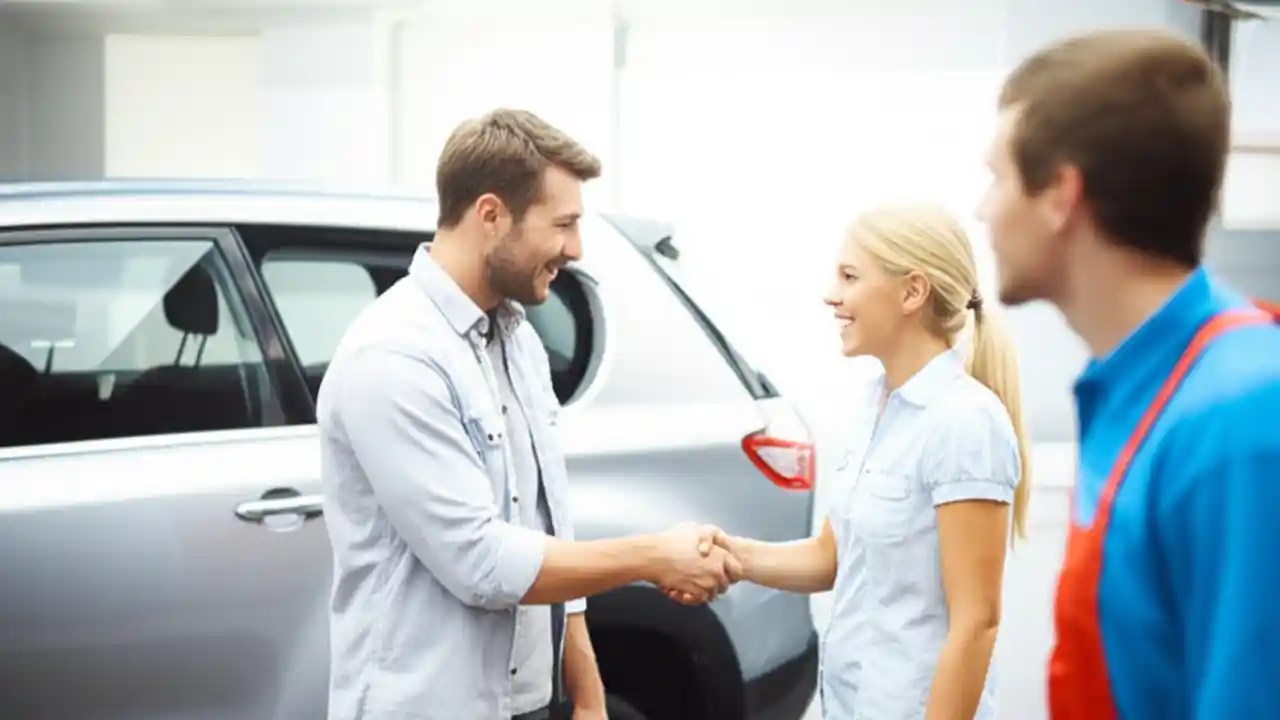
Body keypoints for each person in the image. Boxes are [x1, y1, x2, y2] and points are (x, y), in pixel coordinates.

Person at [317, 108, 737, 720]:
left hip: (527, 705)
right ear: (491, 215)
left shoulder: (518, 338)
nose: (575, 247)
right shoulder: (395, 356)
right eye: (563, 224)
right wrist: (653, 556)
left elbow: (547, 527)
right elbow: (483, 563)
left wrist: (588, 694)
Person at [979, 28, 1280, 720]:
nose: (982, 208)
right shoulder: (1143, 387)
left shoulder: (1241, 420)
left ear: (1060, 194)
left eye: (996, 177)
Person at [678, 203, 1031, 719]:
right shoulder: (874, 404)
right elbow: (833, 556)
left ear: (912, 292)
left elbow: (976, 622)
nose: (831, 295)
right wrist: (735, 554)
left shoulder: (965, 423)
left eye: (849, 277)